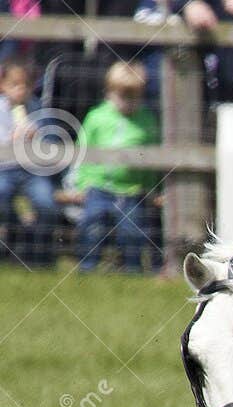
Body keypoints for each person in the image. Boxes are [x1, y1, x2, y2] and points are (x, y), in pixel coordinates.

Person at [74, 61, 161, 273]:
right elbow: (82, 151)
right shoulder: (97, 117)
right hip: (98, 185)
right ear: (109, 92)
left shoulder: (147, 121)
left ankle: (132, 269)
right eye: (123, 96)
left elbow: (153, 158)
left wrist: (152, 188)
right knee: (92, 224)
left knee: (132, 231)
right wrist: (82, 183)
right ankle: (87, 267)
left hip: (132, 190)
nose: (128, 103)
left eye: (135, 97)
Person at [0, 59, 62, 268]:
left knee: (46, 202)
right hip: (5, 169)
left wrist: (37, 139)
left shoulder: (40, 111)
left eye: (25, 85)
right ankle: (15, 239)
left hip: (32, 171)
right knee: (1, 193)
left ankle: (39, 250)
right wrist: (10, 141)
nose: (20, 90)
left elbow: (52, 146)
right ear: (3, 85)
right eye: (14, 85)